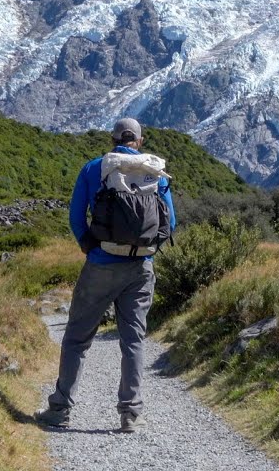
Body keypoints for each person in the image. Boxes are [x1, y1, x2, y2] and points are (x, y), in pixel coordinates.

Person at [35, 118, 177, 433]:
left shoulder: (95, 168)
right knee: (133, 338)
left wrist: (92, 248)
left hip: (102, 262)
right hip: (141, 266)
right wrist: (147, 251)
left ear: (113, 139)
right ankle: (129, 414)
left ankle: (59, 409)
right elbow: (171, 222)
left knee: (77, 337)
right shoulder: (154, 170)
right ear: (139, 140)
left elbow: (75, 216)